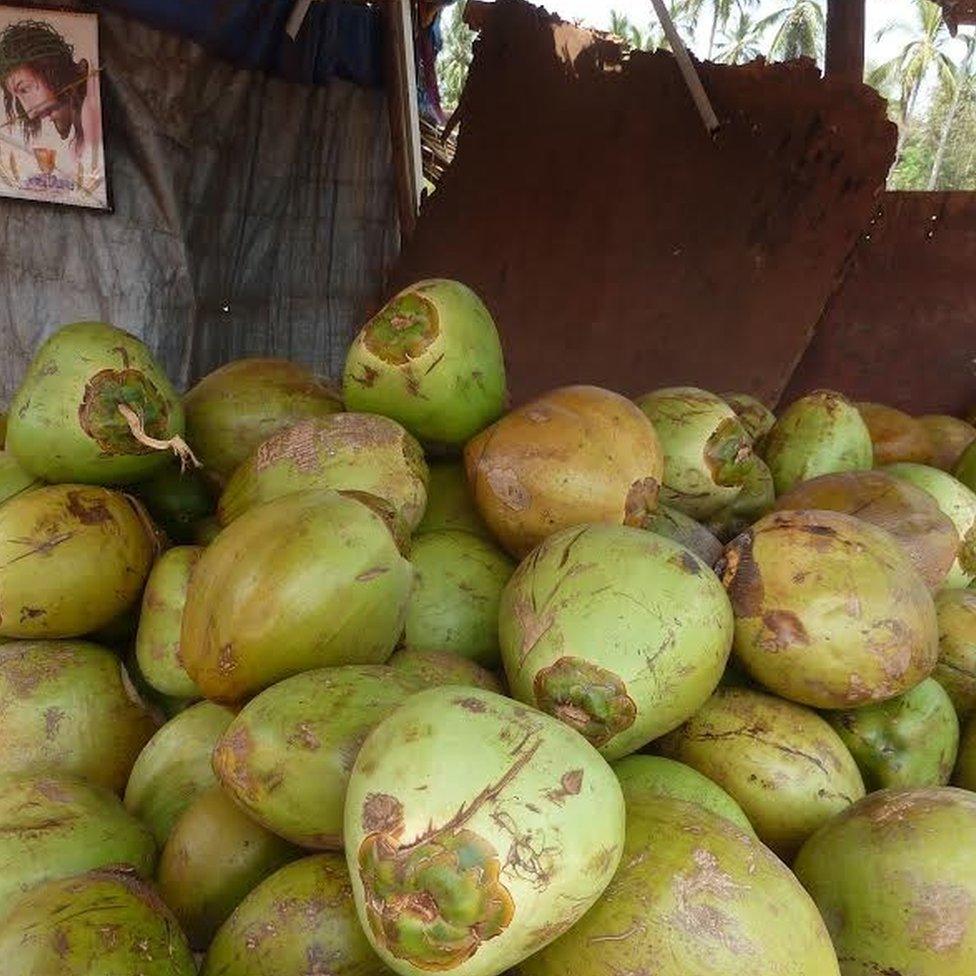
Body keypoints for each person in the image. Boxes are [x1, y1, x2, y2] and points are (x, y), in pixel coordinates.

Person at [0, 19, 101, 179]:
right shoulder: (79, 129)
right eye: (18, 98)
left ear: (51, 71)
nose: (29, 113)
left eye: (24, 89)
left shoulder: (92, 105)